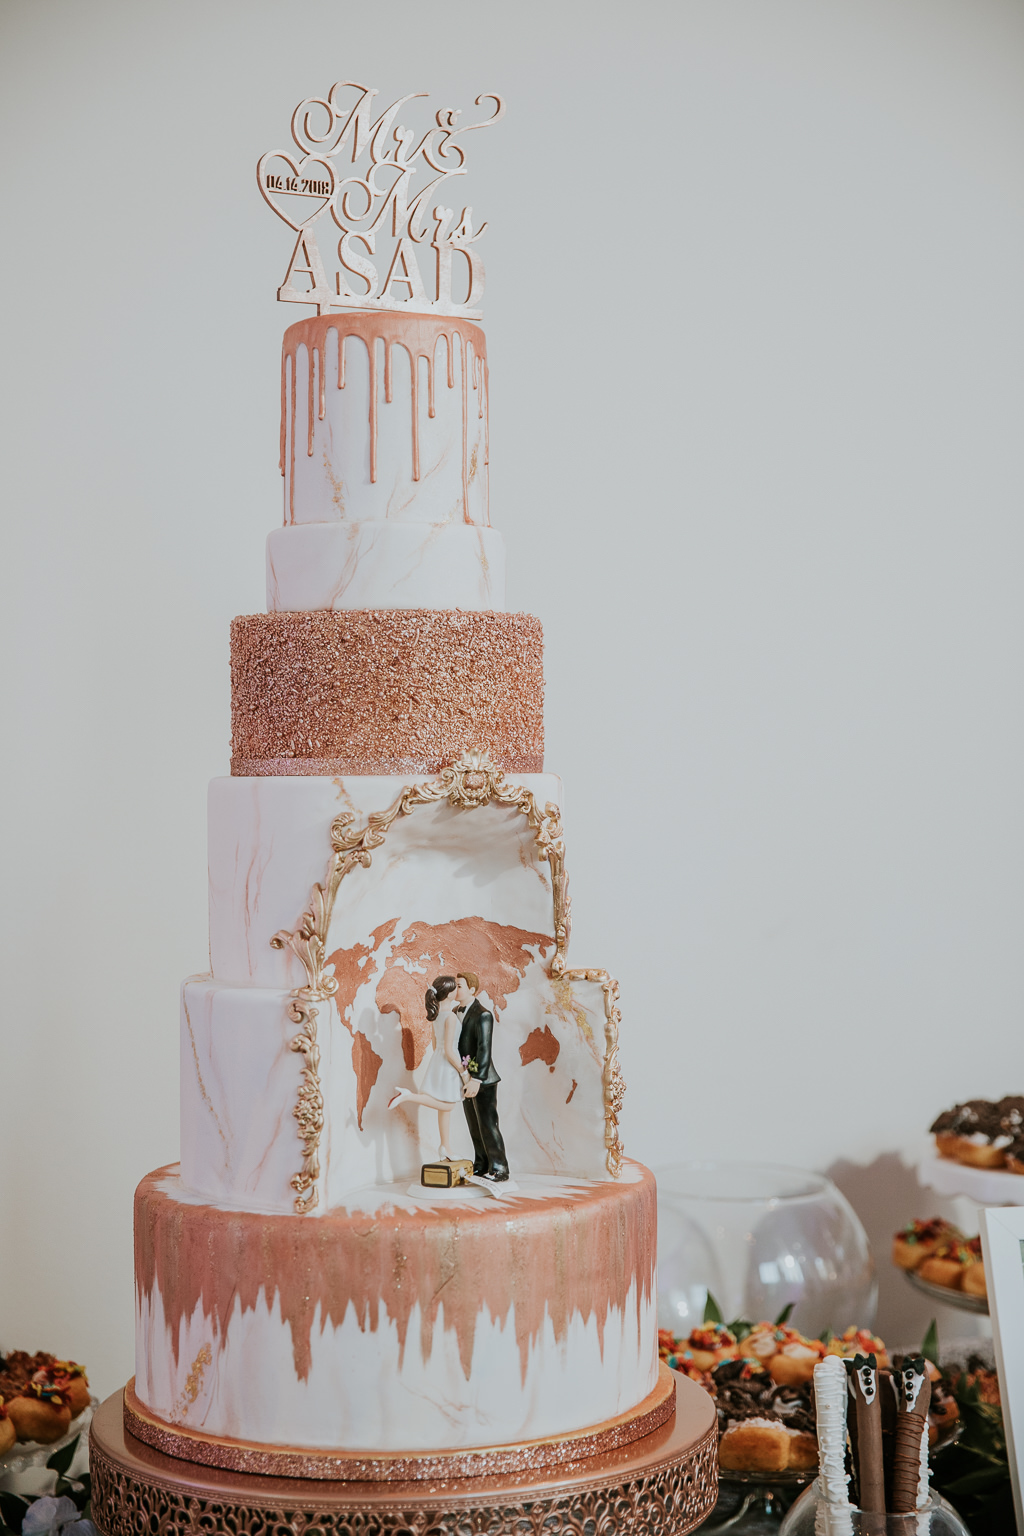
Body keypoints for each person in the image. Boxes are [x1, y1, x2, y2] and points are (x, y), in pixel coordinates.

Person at [387, 975, 477, 1161]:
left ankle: (445, 1147)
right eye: (455, 987)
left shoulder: (436, 1017)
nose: (457, 989)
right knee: (448, 1105)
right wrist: (464, 1072)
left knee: (444, 1110)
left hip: (438, 1060)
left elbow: (436, 1046)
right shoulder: (450, 1017)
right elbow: (450, 1051)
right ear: (449, 993)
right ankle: (408, 1096)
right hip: (449, 1064)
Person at [454, 972, 509, 1181]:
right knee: (474, 1124)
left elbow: (484, 1048)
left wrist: (476, 1079)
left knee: (488, 1124)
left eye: (459, 986)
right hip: (464, 1077)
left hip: (482, 1080)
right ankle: (481, 1164)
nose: (455, 989)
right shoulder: (454, 1012)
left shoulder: (483, 1014)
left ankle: (499, 1167)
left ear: (471, 989)